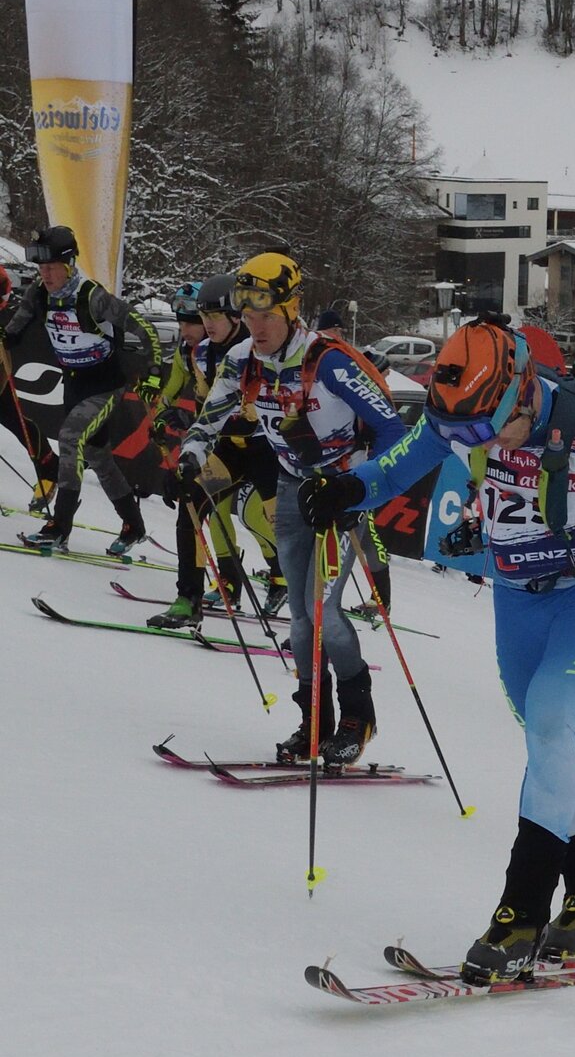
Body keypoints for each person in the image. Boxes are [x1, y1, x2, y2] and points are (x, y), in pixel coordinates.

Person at [305, 318, 575, 978]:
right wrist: (344, 487)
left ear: (523, 392)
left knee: (547, 714)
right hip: (516, 595)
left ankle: (522, 911)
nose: (474, 446)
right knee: (549, 739)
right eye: (460, 435)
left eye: (487, 434)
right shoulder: (462, 412)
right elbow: (395, 469)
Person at [183, 254, 407, 765]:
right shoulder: (242, 359)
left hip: (340, 495)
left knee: (321, 609)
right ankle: (313, 720)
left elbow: (394, 430)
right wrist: (191, 458)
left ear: (290, 309)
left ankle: (357, 716)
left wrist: (357, 488)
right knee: (301, 620)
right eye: (248, 315)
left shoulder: (329, 361)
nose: (256, 327)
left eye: (267, 316)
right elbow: (210, 418)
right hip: (291, 491)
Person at [6, 225, 167, 555]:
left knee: (69, 437)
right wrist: (6, 337)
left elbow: (143, 327)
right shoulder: (40, 293)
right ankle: (133, 525)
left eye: (52, 268)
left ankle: (60, 526)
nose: (45, 275)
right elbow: (15, 328)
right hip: (74, 383)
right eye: (41, 268)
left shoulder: (91, 296)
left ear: (69, 265)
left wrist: (152, 373)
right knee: (98, 457)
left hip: (104, 385)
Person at [150, 276, 288, 630]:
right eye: (203, 315)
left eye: (216, 315)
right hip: (228, 449)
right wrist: (187, 458)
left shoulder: (258, 349)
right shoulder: (200, 354)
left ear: (237, 317)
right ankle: (188, 599)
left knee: (281, 525)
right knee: (191, 500)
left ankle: (304, 609)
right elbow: (206, 409)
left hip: (266, 449)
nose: (208, 323)